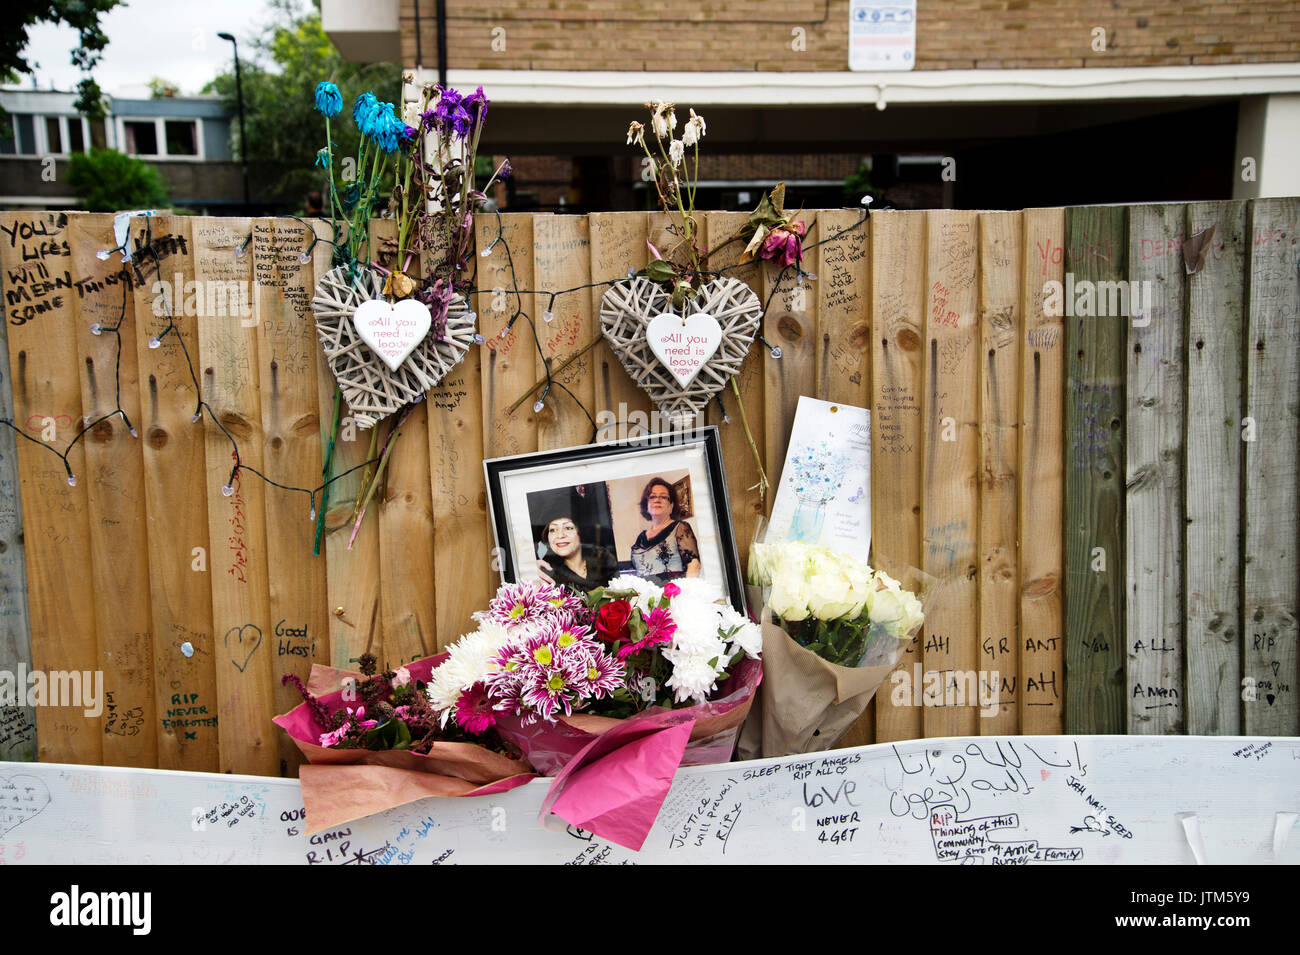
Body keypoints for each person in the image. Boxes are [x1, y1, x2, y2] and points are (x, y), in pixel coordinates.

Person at [629, 478, 701, 585]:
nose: (657, 500)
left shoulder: (680, 528)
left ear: (671, 506)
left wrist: (683, 594)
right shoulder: (641, 537)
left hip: (671, 595)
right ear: (646, 505)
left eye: (663, 497)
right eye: (652, 496)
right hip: (645, 595)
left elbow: (694, 565)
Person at [536, 513, 618, 594]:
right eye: (553, 530)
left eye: (568, 528)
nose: (560, 535)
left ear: (580, 532)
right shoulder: (545, 572)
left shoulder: (603, 557)